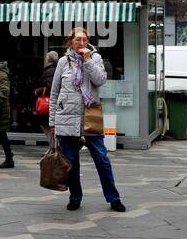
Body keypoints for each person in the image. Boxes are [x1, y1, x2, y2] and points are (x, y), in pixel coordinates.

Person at [48, 27, 125, 213]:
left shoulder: (96, 58)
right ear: (70, 41)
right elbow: (54, 92)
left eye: (84, 39)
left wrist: (88, 60)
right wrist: (52, 122)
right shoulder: (62, 62)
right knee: (71, 162)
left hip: (91, 118)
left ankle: (113, 198)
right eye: (77, 40)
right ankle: (75, 197)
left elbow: (99, 81)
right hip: (67, 118)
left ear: (88, 41)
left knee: (102, 159)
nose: (81, 43)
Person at [34, 51, 60, 132]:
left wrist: (38, 91)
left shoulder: (49, 71)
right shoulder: (57, 69)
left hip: (49, 102)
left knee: (47, 126)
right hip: (54, 101)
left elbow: (51, 86)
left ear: (48, 59)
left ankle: (53, 144)